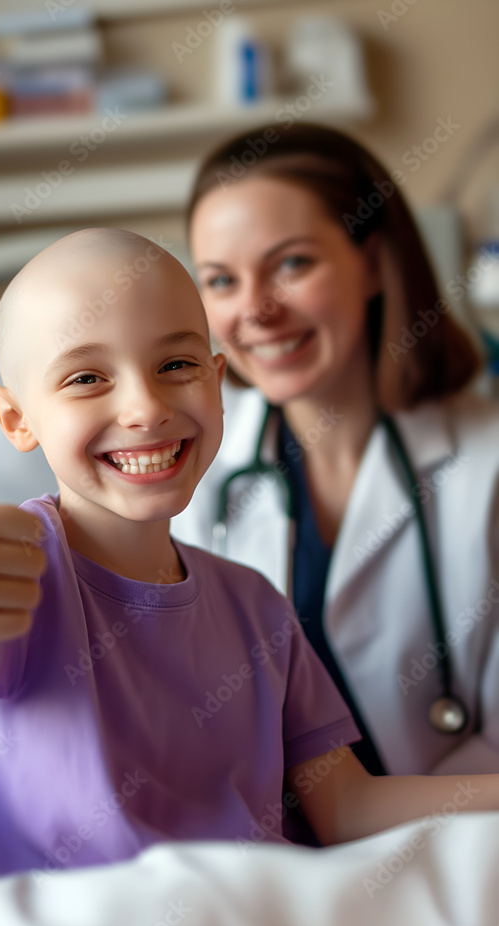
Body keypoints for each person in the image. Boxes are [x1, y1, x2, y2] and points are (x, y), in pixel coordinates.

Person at [0, 229, 499, 877]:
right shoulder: (22, 569)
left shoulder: (255, 605)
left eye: (176, 366)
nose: (144, 406)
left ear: (217, 383)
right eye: (85, 378)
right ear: (16, 418)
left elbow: (345, 808)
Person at [172, 122, 499, 780]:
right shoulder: (185, 461)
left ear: (374, 262)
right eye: (220, 280)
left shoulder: (485, 464)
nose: (254, 312)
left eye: (291, 263)